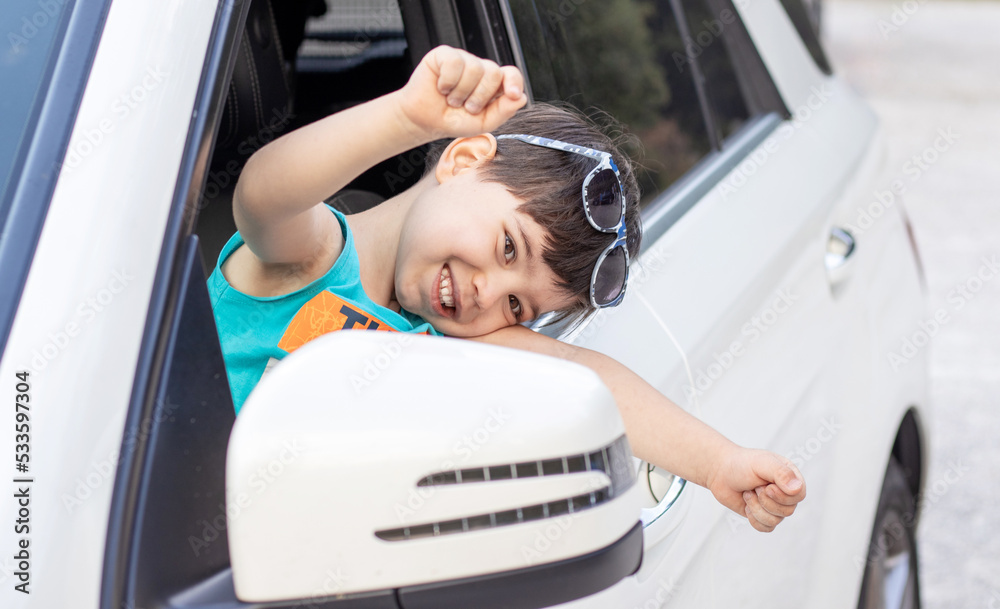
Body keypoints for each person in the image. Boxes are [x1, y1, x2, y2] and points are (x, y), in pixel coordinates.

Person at [208, 46, 805, 533]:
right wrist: (408, 119)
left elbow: (581, 375)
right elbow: (264, 198)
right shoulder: (316, 258)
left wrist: (720, 463)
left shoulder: (445, 340)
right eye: (508, 247)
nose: (487, 295)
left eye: (518, 307)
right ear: (464, 157)